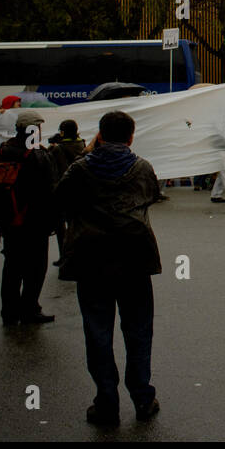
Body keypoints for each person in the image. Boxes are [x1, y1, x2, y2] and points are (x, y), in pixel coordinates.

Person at [53, 110, 164, 426]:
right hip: (135, 256)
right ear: (131, 137)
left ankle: (106, 402)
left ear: (99, 136)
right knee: (139, 330)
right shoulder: (142, 167)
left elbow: (60, 200)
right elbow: (151, 196)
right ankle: (142, 397)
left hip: (92, 257)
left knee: (98, 331)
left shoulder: (80, 169)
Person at [0, 110, 59, 326]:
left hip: (8, 220)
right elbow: (50, 190)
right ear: (35, 130)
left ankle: (9, 312)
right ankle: (29, 309)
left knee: (12, 267)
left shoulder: (1, 151)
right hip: (35, 222)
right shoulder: (39, 155)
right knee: (36, 268)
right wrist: (54, 221)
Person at [48, 120, 87, 265]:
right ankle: (79, 255)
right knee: (76, 225)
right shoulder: (83, 145)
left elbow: (52, 167)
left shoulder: (58, 149)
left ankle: (64, 255)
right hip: (80, 190)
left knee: (60, 227)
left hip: (63, 190)